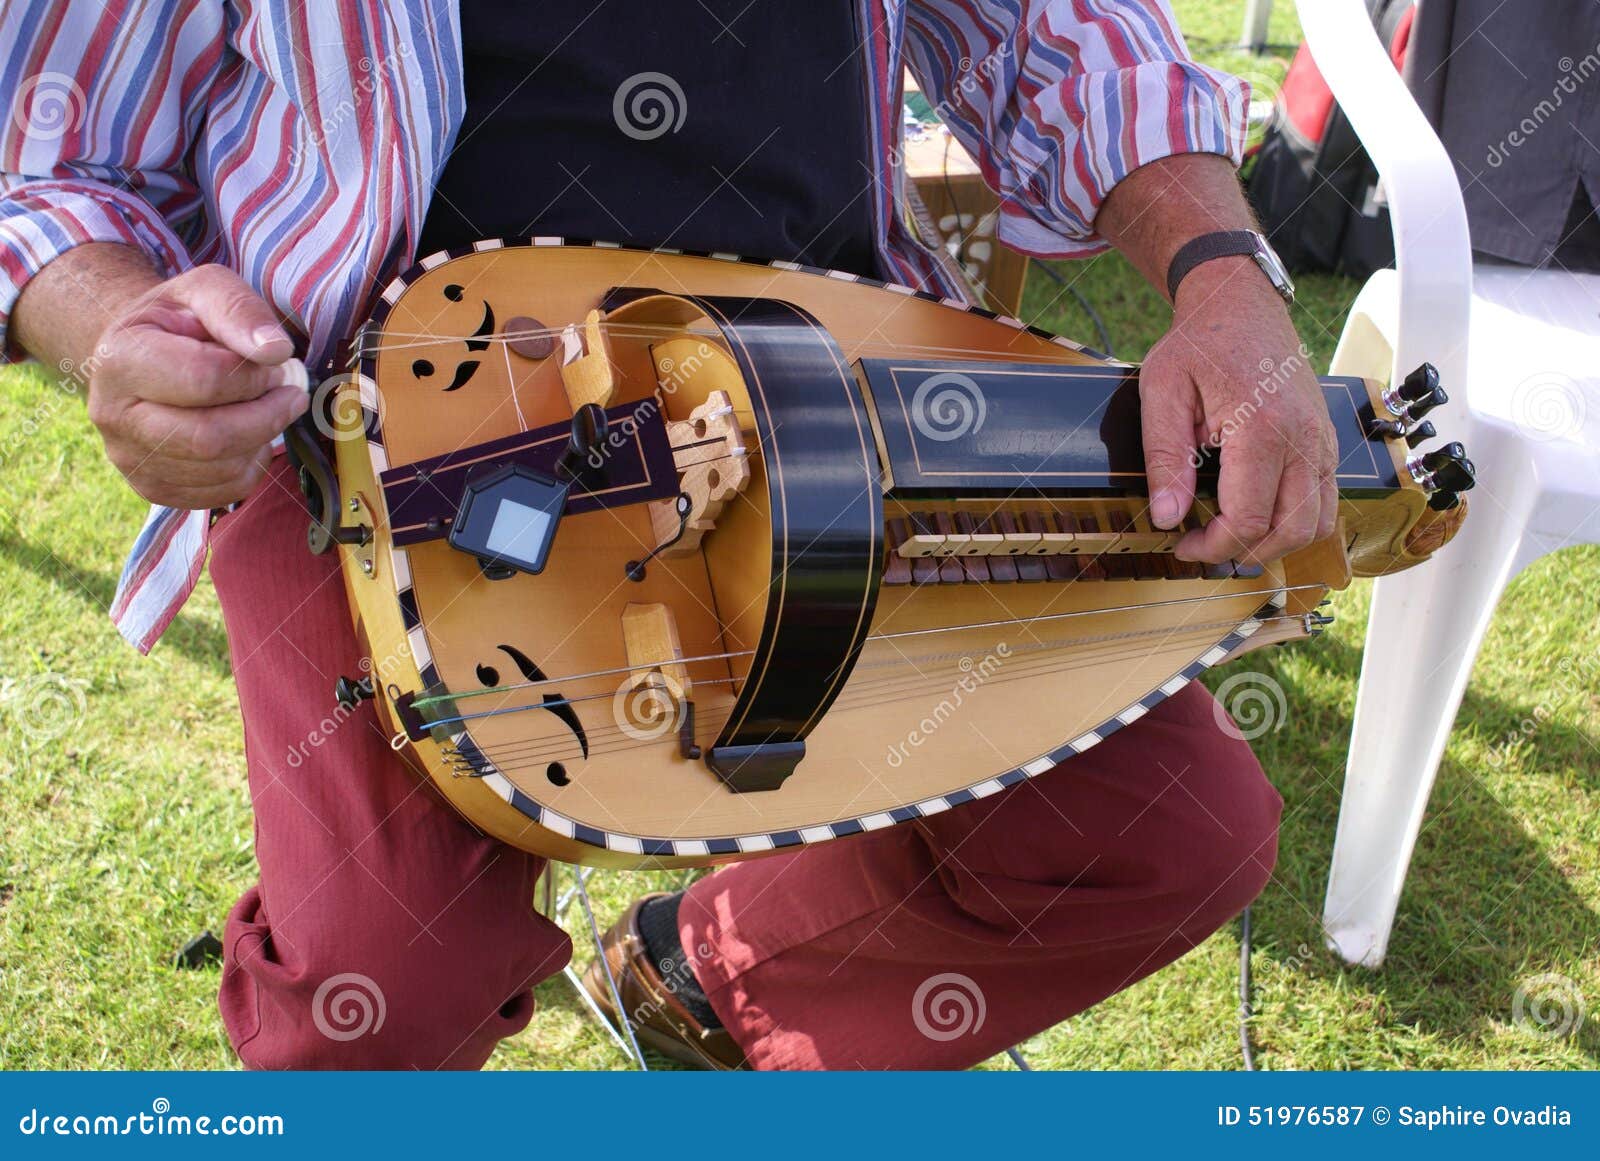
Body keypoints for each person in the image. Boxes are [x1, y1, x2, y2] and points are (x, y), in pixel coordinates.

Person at [1, 1, 1334, 1070]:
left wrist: (1223, 274)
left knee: (1161, 835)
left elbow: (1055, 28)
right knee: (382, 994)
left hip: (835, 412)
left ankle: (701, 976)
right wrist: (123, 325)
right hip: (381, 447)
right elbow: (49, 162)